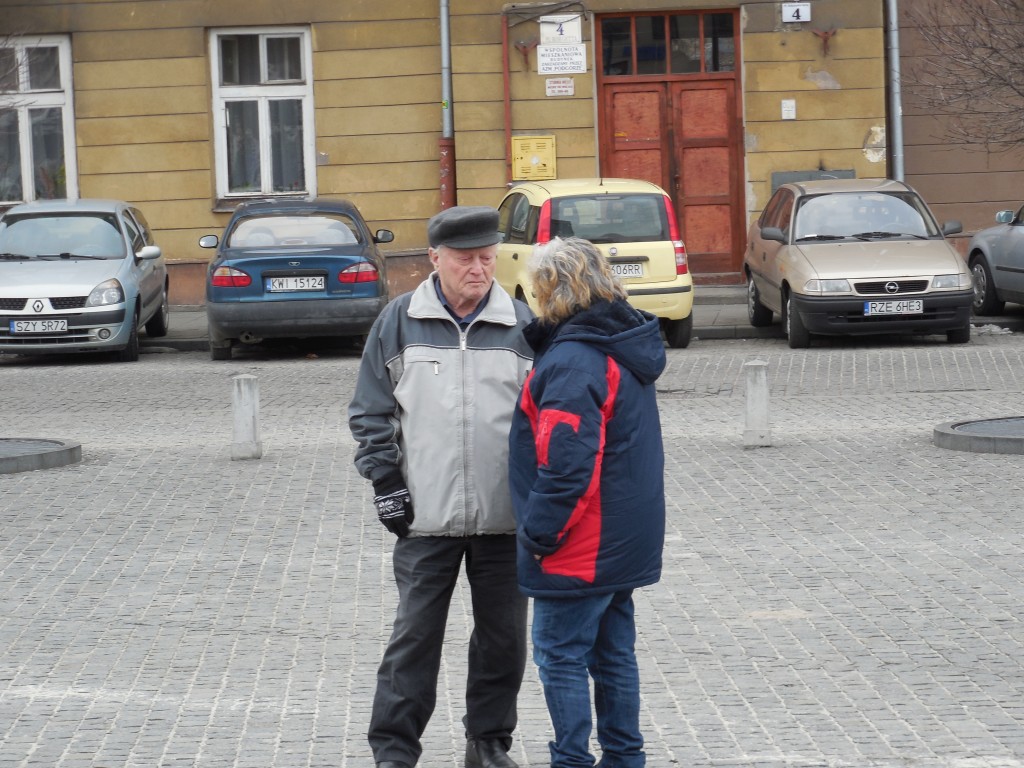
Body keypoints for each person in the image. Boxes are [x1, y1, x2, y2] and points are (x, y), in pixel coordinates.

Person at [348, 205, 535, 768]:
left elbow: (543, 419)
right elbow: (370, 411)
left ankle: (488, 742)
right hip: (424, 518)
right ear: (434, 259)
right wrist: (384, 478)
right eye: (465, 259)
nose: (479, 270)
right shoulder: (398, 322)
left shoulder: (523, 326)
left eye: (487, 258)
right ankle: (395, 750)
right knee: (415, 639)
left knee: (503, 642)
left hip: (505, 520)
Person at [508, 236, 667, 768]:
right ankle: (625, 758)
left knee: (560, 657)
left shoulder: (574, 362)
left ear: (551, 288)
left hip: (582, 543)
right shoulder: (621, 342)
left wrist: (539, 533)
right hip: (622, 537)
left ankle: (570, 760)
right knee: (612, 654)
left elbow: (568, 467)